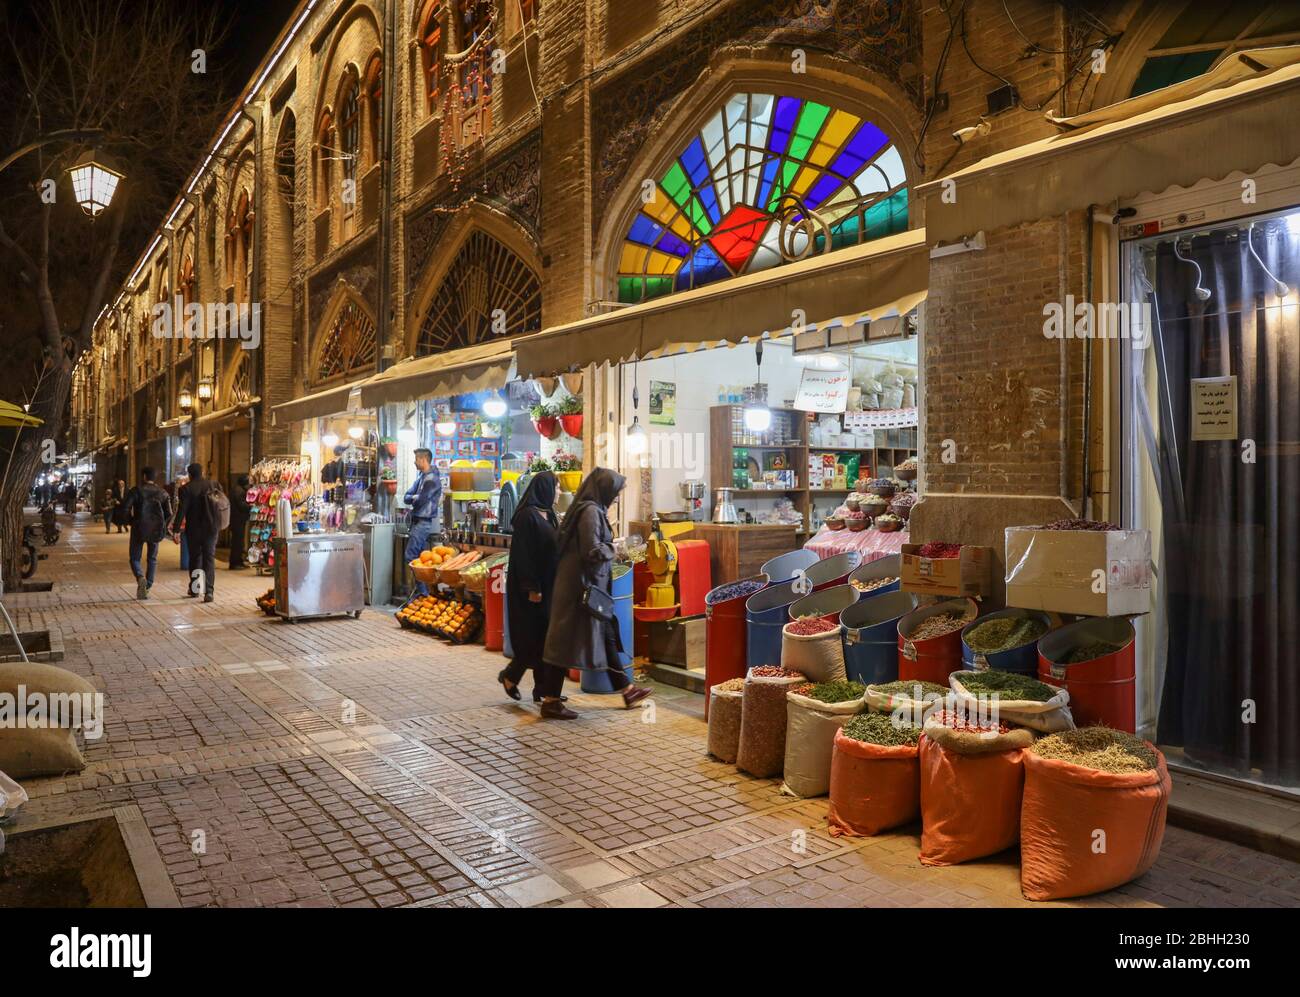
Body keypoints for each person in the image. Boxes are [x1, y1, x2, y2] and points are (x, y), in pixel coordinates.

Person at [543, 468, 652, 713]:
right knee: (564, 643)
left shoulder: (592, 509)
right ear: (603, 489)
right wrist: (615, 548)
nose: (616, 498)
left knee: (605, 634)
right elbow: (592, 551)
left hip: (586, 589)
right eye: (614, 493)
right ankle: (550, 700)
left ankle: (627, 690)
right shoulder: (591, 512)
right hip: (579, 590)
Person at [496, 471, 571, 717]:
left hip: (550, 585)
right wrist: (533, 588)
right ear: (545, 489)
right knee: (534, 639)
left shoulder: (548, 514)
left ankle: (542, 688)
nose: (558, 492)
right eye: (556, 488)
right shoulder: (527, 517)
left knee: (545, 637)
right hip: (532, 589)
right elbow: (524, 556)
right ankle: (510, 676)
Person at [170, 462, 219, 602]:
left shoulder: (186, 489)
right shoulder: (213, 485)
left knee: (195, 558)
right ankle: (209, 592)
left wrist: (176, 529)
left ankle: (195, 589)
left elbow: (182, 510)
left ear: (189, 475)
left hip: (194, 530)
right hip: (211, 528)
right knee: (209, 558)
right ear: (202, 472)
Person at [123, 466, 173, 600]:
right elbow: (169, 513)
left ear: (144, 476)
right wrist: (162, 525)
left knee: (134, 557)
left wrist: (131, 521)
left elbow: (125, 508)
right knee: (152, 558)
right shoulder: (162, 492)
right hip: (156, 529)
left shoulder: (136, 491)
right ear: (154, 477)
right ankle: (148, 585)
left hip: (138, 527)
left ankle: (140, 577)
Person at [403, 448, 442, 597]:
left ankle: (423, 593)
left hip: (424, 522)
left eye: (416, 459)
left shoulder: (432, 479)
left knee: (410, 555)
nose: (414, 461)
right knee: (421, 558)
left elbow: (421, 500)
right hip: (417, 520)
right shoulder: (421, 477)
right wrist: (414, 497)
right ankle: (425, 593)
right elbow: (407, 497)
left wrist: (414, 498)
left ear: (423, 459)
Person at [227, 474, 251, 569]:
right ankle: (234, 563)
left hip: (236, 519)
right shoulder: (239, 491)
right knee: (237, 542)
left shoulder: (236, 489)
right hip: (238, 520)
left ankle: (239, 561)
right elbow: (242, 505)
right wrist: (251, 506)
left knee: (238, 542)